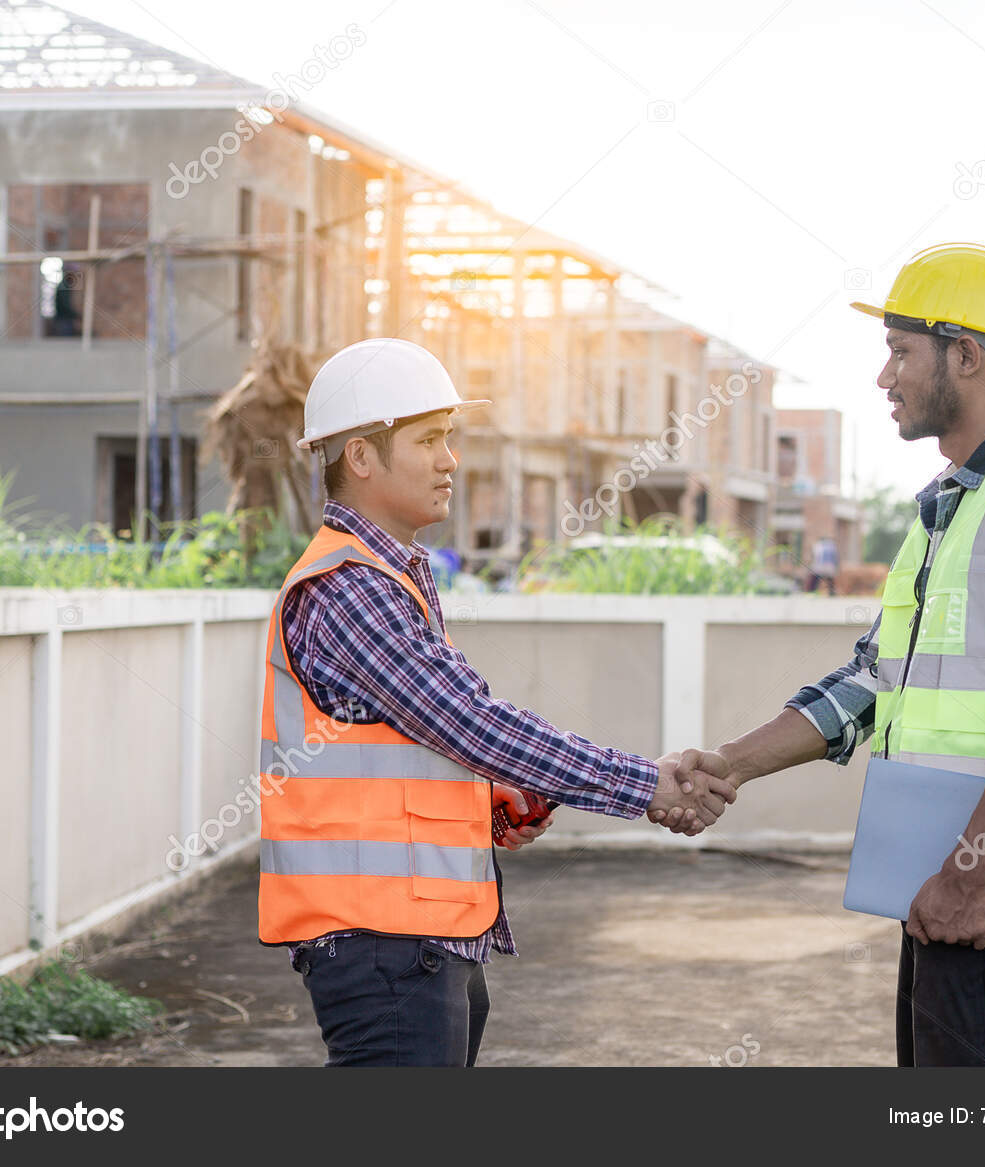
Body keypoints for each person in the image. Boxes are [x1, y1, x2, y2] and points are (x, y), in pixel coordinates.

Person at [678, 243, 985, 1067]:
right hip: (948, 883)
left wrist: (966, 875)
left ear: (964, 355)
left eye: (899, 352)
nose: (884, 377)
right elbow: (872, 684)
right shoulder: (950, 508)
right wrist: (728, 765)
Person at [257, 337, 736, 1067]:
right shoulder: (350, 588)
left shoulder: (388, 576)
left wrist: (490, 799)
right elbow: (471, 721)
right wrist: (646, 784)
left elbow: (414, 744)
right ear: (360, 457)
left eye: (448, 437)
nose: (451, 459)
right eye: (429, 440)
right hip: (383, 946)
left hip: (414, 939)